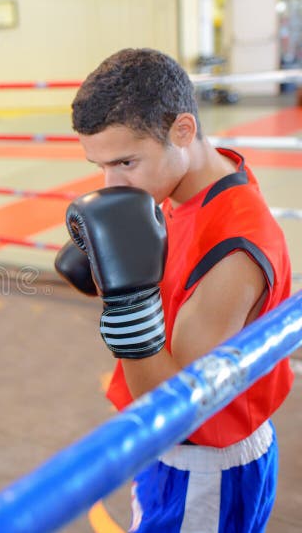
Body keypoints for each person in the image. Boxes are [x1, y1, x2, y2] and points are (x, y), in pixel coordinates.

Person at [60, 48, 293, 531]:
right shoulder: (182, 185)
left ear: (182, 131)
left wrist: (127, 309)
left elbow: (176, 407)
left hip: (204, 467)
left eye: (126, 161)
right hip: (170, 456)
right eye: (100, 165)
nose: (112, 184)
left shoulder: (232, 251)